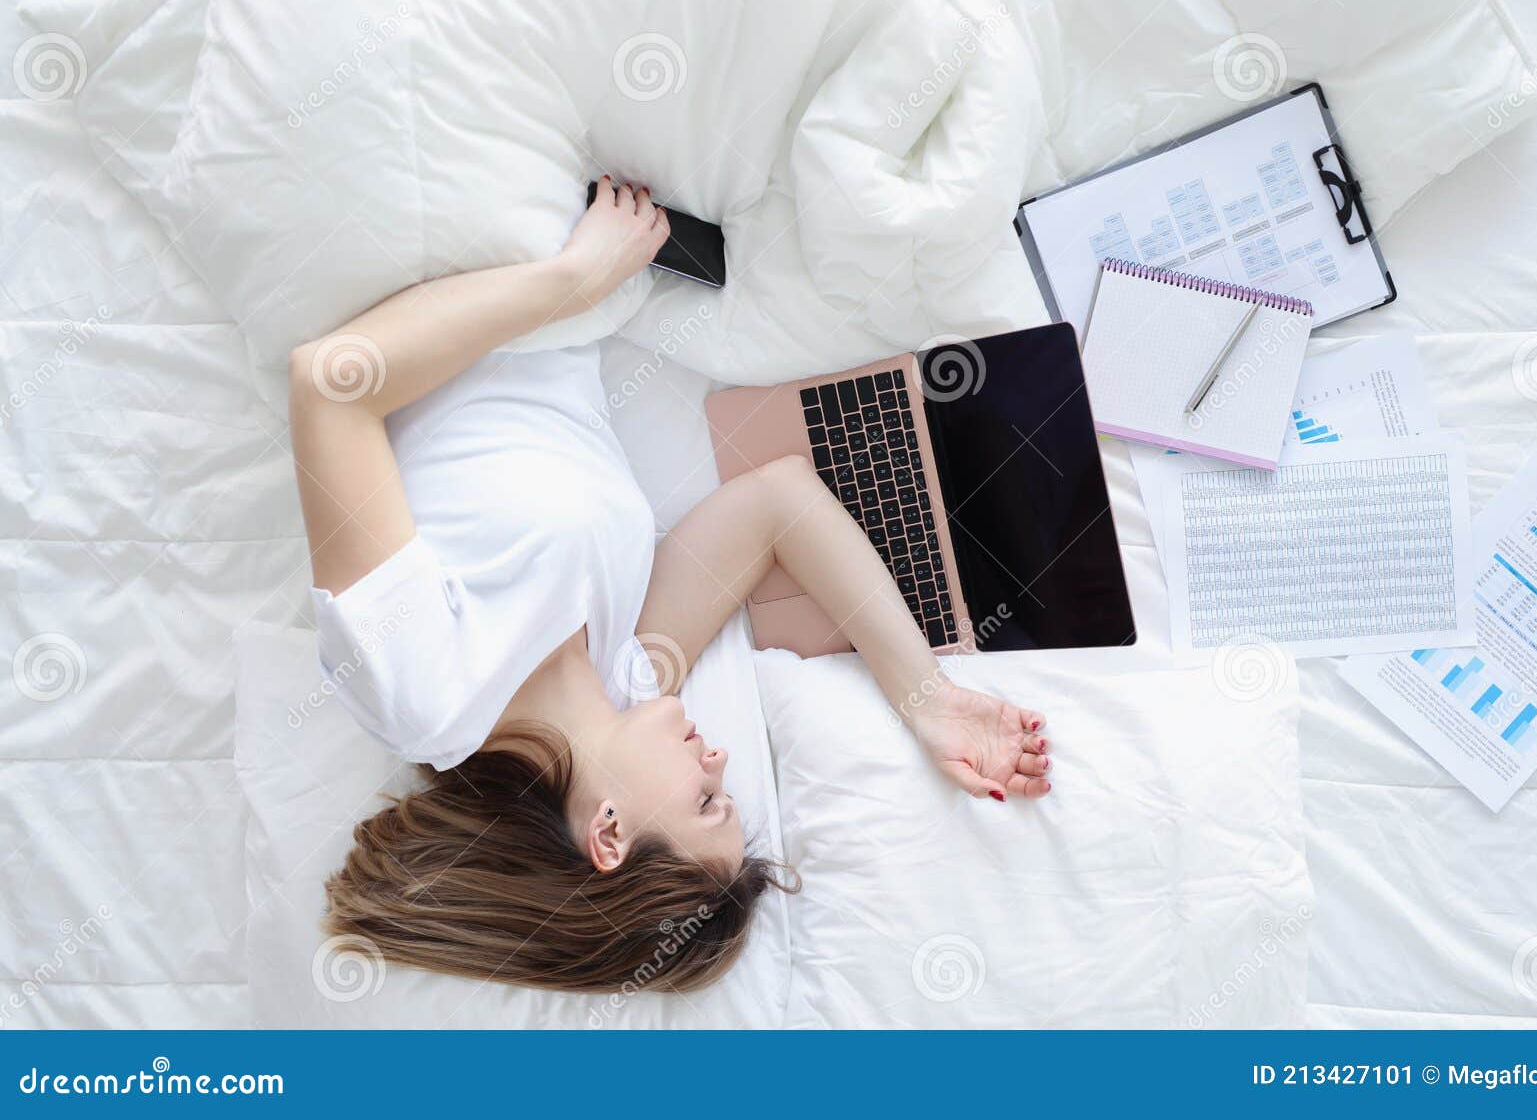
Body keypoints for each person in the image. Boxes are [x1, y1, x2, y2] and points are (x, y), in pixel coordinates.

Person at [289, 178, 1052, 994]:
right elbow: (780, 502)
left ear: (608, 835)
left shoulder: (425, 696)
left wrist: (570, 284)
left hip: (453, 224)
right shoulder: (627, 679)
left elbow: (331, 385)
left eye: (707, 801)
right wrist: (928, 698)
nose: (719, 758)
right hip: (571, 229)